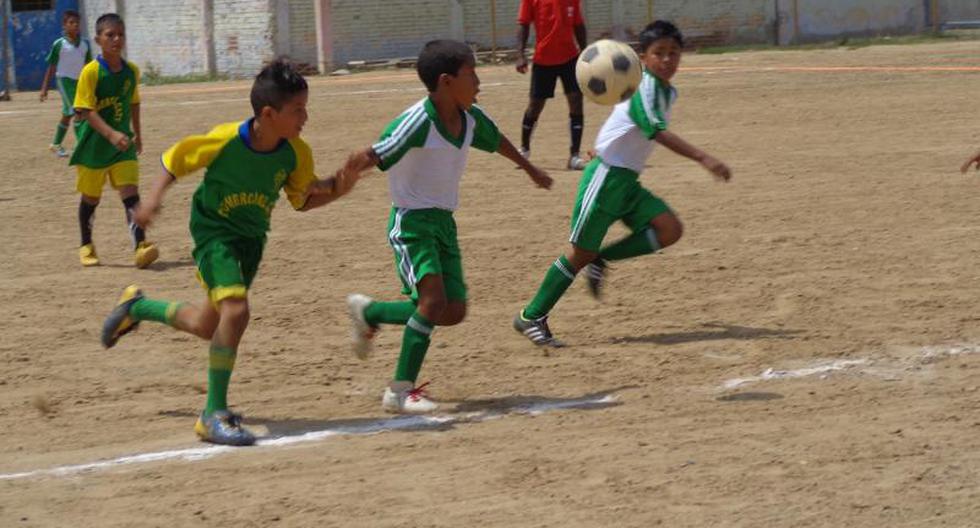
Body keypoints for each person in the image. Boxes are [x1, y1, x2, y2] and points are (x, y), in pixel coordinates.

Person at [99, 58, 359, 446]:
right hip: (213, 233)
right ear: (268, 114)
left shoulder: (295, 153)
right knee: (236, 310)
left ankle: (137, 308)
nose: (305, 117)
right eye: (297, 110)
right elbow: (174, 161)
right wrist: (151, 201)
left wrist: (341, 185)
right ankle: (213, 414)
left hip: (250, 241)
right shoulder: (226, 139)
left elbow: (303, 199)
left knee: (209, 325)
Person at [344, 39, 553, 413]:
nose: (478, 82)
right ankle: (399, 391)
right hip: (412, 223)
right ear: (445, 81)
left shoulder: (470, 119)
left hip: (443, 222)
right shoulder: (418, 122)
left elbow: (496, 140)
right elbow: (378, 152)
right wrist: (339, 177)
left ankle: (371, 313)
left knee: (452, 310)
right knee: (432, 302)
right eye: (471, 74)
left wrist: (530, 168)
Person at [513, 20, 732, 347]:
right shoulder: (644, 87)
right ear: (643, 57)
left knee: (669, 229)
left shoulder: (666, 90)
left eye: (674, 52)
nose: (667, 59)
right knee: (578, 253)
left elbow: (623, 122)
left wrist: (602, 144)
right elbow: (654, 131)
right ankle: (531, 315)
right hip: (606, 180)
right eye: (659, 53)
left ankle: (601, 259)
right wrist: (703, 158)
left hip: (627, 181)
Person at [70, 13, 157, 268]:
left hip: (122, 146)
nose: (116, 39)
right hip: (94, 147)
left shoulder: (131, 72)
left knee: (130, 193)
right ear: (98, 39)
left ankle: (140, 246)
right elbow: (86, 110)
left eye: (120, 34)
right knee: (90, 199)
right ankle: (86, 245)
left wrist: (137, 134)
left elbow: (134, 102)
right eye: (110, 35)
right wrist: (110, 134)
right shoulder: (91, 72)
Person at [516, 0, 588, 170]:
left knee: (576, 101)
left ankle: (574, 156)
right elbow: (523, 24)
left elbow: (578, 25)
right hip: (543, 60)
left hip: (570, 59)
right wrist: (520, 54)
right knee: (535, 106)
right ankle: (524, 149)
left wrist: (586, 53)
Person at [40, 9, 91, 157]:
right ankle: (81, 145)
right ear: (64, 25)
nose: (75, 25)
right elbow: (51, 66)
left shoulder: (85, 44)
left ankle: (56, 144)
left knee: (67, 114)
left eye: (77, 23)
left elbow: (89, 66)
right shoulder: (59, 44)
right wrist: (44, 88)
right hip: (64, 80)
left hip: (79, 82)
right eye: (71, 22)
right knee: (78, 110)